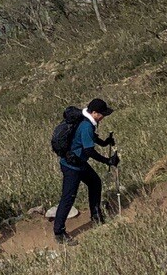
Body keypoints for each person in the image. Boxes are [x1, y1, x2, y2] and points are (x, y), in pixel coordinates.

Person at [53, 98, 118, 245]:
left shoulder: (86, 121)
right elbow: (89, 151)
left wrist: (105, 142)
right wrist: (107, 161)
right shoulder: (86, 125)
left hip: (78, 163)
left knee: (95, 183)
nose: (103, 117)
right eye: (102, 114)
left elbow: (91, 138)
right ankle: (59, 232)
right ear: (94, 113)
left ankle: (96, 215)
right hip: (72, 167)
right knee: (68, 198)